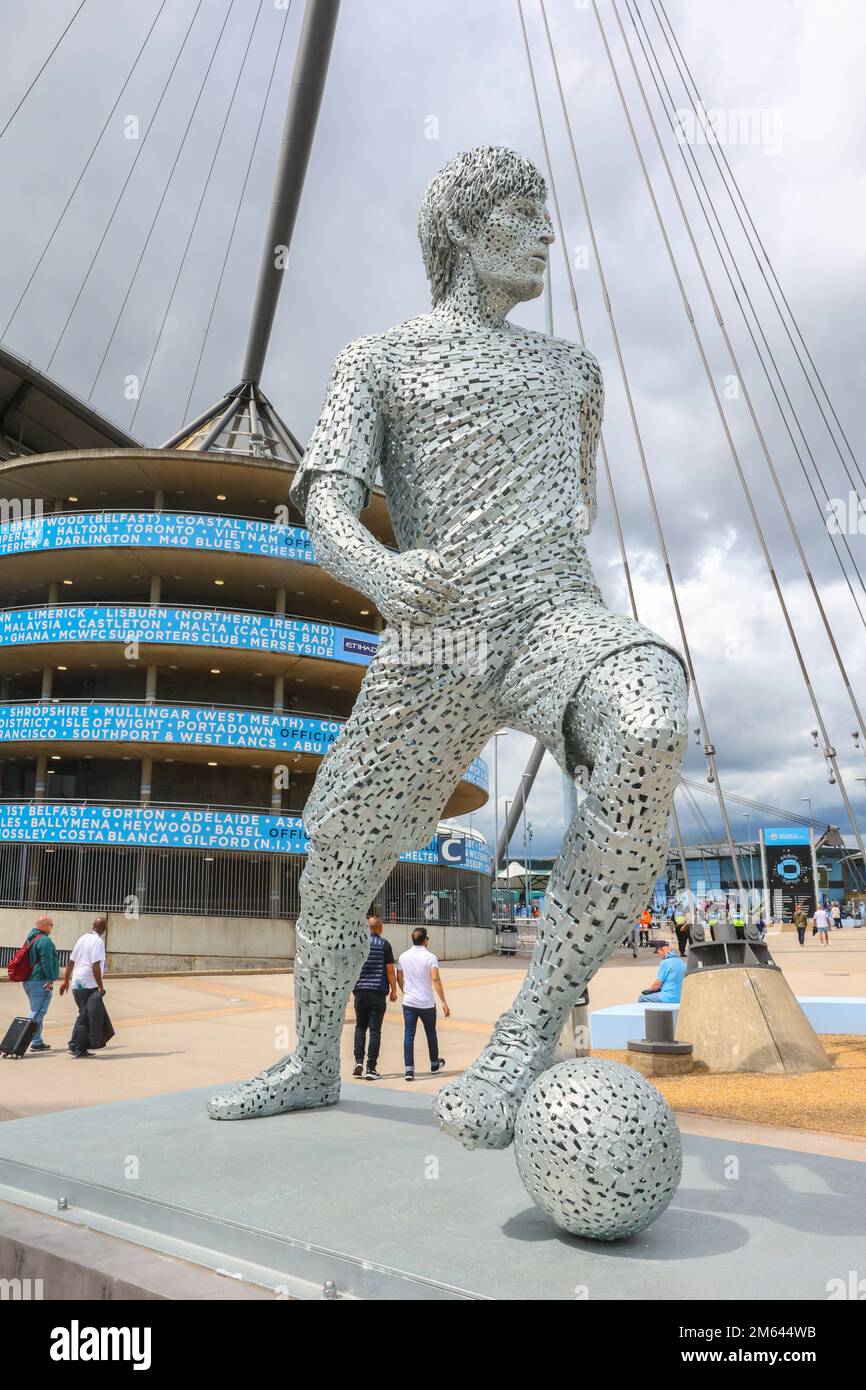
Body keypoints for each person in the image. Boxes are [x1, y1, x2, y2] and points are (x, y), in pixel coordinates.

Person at [207, 145, 688, 1151]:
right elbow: (326, 501)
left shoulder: (572, 373)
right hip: (438, 630)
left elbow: (575, 512)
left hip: (553, 615)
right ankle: (307, 1060)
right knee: (337, 852)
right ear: (463, 230)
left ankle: (516, 1040)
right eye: (522, 212)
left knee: (647, 719)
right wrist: (382, 574)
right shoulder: (377, 358)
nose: (546, 232)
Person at [396, 928, 449, 1081]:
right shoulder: (430, 957)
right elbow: (435, 979)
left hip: (409, 1002)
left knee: (409, 1034)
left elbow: (399, 975)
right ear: (425, 940)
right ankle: (434, 1063)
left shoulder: (403, 956)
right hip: (426, 1003)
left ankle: (409, 1070)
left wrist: (404, 990)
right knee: (431, 1033)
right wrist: (444, 1002)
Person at [351, 913, 396, 1080]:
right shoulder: (384, 945)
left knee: (360, 1027)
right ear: (380, 928)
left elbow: (352, 968)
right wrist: (394, 990)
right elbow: (390, 970)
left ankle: (358, 1061)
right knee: (375, 1031)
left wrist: (349, 989)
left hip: (360, 992)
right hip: (377, 992)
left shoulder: (358, 945)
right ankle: (371, 1068)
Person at [59, 916, 107, 1058]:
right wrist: (100, 986)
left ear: (93, 925)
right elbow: (95, 965)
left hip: (77, 982)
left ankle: (74, 1045)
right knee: (85, 1017)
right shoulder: (98, 942)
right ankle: (77, 1048)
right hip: (89, 984)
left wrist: (66, 981)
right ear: (104, 929)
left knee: (83, 1014)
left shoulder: (82, 938)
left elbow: (71, 962)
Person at [20, 915, 58, 1052]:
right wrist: (50, 980)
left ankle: (37, 1041)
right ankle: (18, 1040)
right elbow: (46, 961)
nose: (52, 928)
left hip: (30, 981)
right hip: (40, 981)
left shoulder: (31, 938)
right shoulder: (44, 940)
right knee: (37, 1013)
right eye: (51, 925)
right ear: (44, 925)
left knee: (36, 1012)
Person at [638, 939, 687, 1004]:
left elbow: (656, 985)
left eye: (658, 952)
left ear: (661, 949)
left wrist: (649, 990)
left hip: (668, 997)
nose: (659, 955)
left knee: (642, 998)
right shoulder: (682, 962)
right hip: (680, 998)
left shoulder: (665, 963)